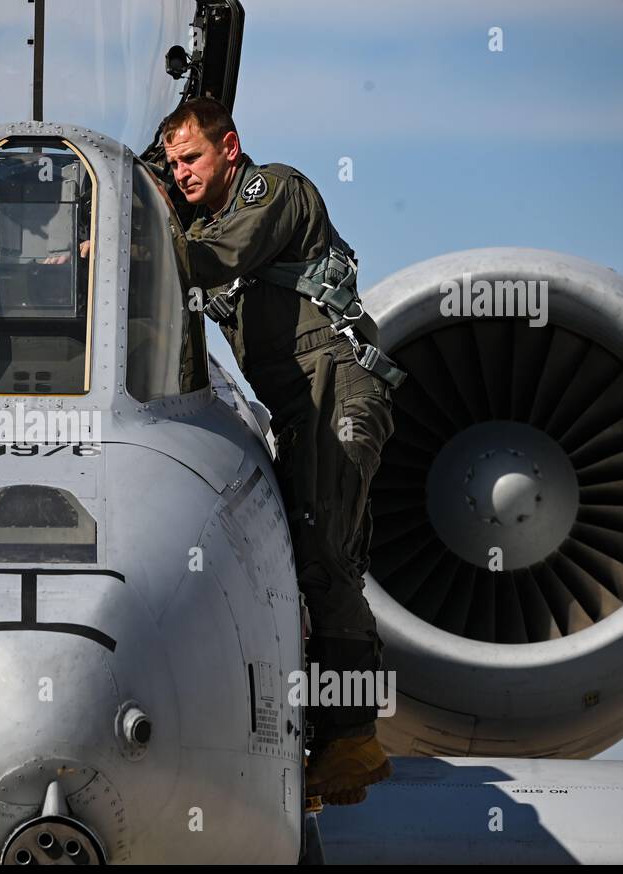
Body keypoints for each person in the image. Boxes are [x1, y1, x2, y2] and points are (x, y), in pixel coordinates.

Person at [157, 96, 401, 805]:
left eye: (192, 158)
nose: (181, 174)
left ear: (229, 148)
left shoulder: (273, 193)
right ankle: (316, 739)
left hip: (338, 390)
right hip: (295, 409)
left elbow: (214, 257)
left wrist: (128, 244)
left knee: (328, 555)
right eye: (172, 165)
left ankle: (354, 736)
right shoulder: (198, 226)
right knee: (292, 560)